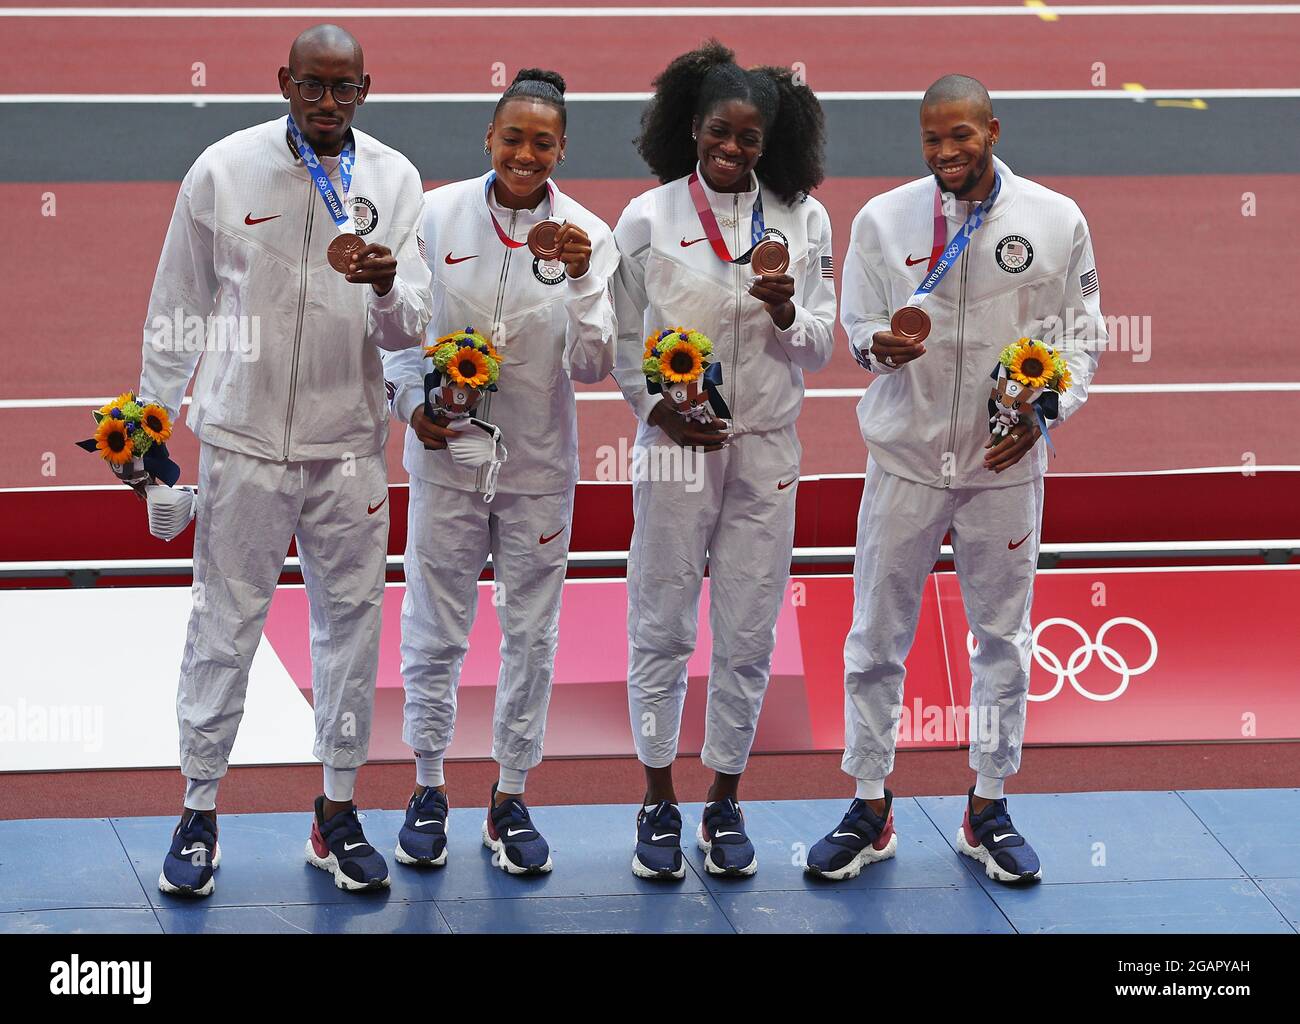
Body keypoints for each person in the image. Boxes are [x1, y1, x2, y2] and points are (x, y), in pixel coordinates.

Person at [143, 24, 432, 897]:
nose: (328, 103)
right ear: (285, 83)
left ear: (366, 90)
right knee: (222, 627)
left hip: (348, 447)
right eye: (313, 85)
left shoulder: (395, 180)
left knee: (350, 634)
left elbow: (413, 328)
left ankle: (336, 812)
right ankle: (198, 809)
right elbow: (178, 304)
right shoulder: (223, 169)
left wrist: (387, 285)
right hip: (240, 442)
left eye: (344, 88)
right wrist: (150, 434)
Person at [806, 74, 1105, 884]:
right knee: (875, 637)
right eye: (933, 139)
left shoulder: (1055, 219)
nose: (946, 153)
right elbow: (858, 326)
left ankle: (989, 805)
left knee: (1002, 638)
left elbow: (1081, 339)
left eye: (961, 137)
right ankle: (870, 804)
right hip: (905, 460)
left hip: (1002, 464)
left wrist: (1046, 413)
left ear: (992, 131)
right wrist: (877, 349)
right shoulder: (882, 219)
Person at [382, 69, 618, 875]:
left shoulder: (589, 231)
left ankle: (511, 796)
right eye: (512, 137)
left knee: (531, 635)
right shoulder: (436, 213)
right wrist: (409, 404)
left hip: (538, 469)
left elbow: (591, 366)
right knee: (434, 630)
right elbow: (398, 333)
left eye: (542, 142)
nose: (526, 154)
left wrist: (586, 277)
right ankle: (426, 786)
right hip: (446, 461)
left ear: (561, 148)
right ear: (489, 138)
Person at [610, 41, 835, 880]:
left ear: (771, 142)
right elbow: (625, 342)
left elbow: (817, 348)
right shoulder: (649, 217)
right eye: (717, 133)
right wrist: (652, 405)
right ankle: (658, 796)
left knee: (747, 631)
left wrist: (785, 313)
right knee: (660, 623)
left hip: (766, 450)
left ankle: (726, 797)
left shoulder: (805, 220)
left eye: (748, 139)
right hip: (674, 447)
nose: (731, 150)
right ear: (690, 129)